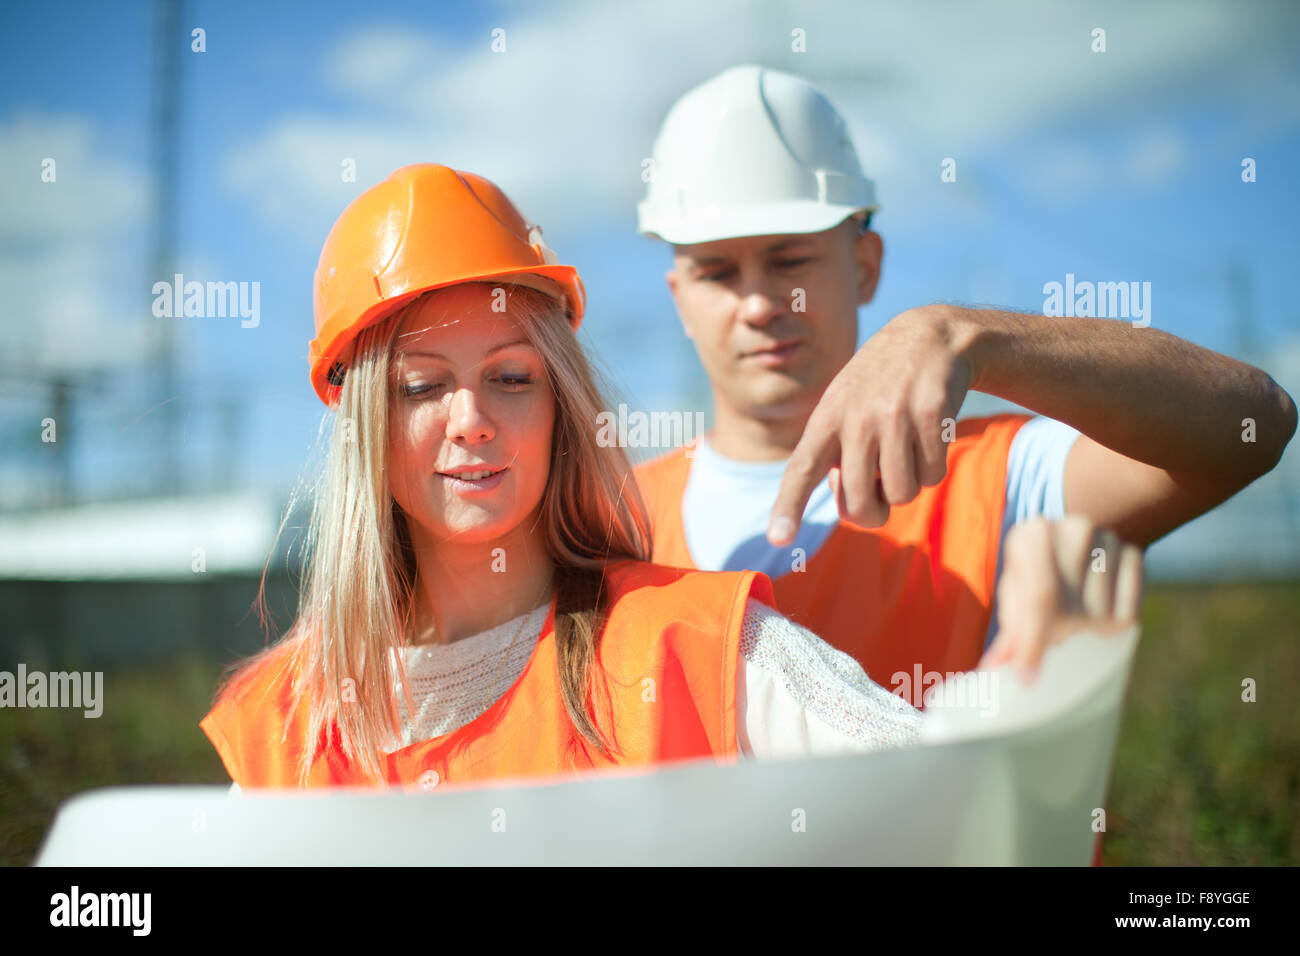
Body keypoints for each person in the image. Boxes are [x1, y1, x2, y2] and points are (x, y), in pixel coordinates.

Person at [199, 164, 1139, 791]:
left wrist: (1034, 708)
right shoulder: (279, 722)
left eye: (511, 378)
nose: (471, 419)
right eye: (420, 387)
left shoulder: (701, 648)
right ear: (363, 423)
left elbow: (955, 811)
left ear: (559, 404)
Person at [634, 65, 1296, 691]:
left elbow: (1256, 425)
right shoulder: (607, 521)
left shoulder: (1000, 479)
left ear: (865, 267)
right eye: (716, 272)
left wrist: (968, 336)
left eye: (790, 259)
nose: (757, 304)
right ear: (677, 297)